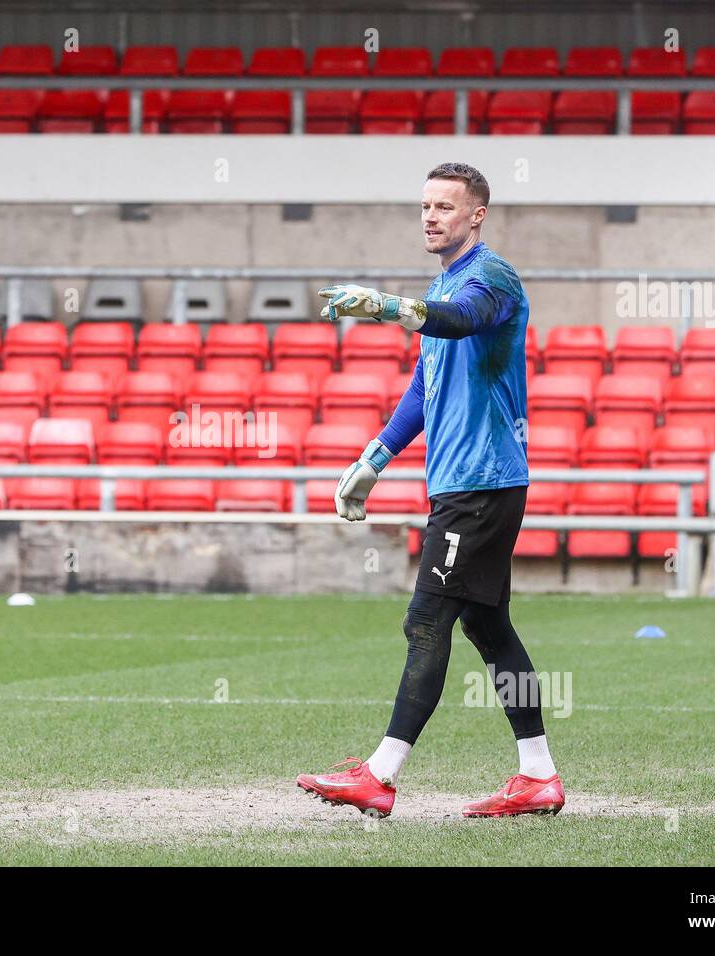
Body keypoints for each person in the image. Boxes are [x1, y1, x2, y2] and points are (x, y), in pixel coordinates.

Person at [295, 162, 565, 819]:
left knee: (426, 620)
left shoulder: (489, 278)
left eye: (445, 206)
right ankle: (538, 776)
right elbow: (426, 386)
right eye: (424, 205)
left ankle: (381, 774)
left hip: (480, 483)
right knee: (486, 623)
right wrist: (375, 456)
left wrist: (391, 308)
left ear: (477, 215)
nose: (430, 216)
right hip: (469, 482)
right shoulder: (443, 282)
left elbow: (457, 321)